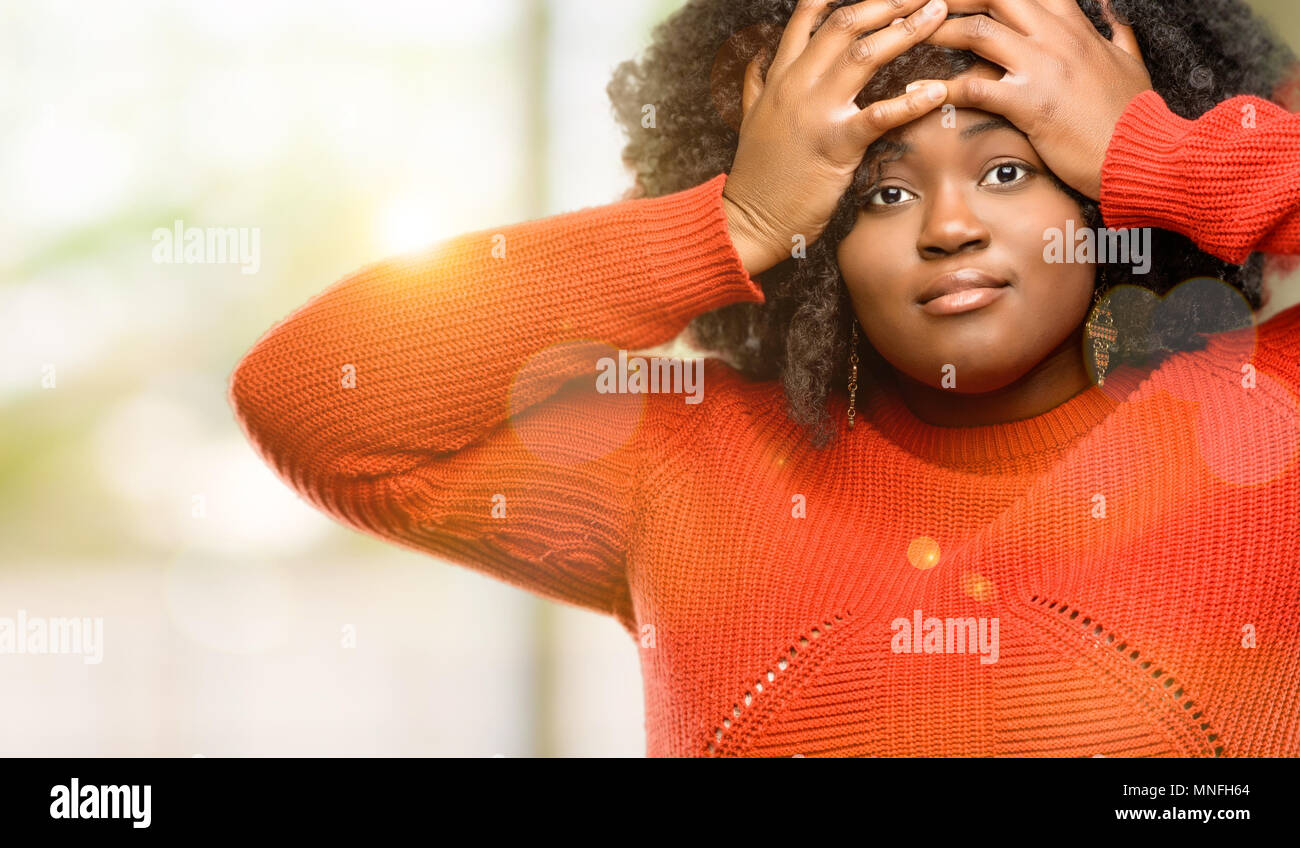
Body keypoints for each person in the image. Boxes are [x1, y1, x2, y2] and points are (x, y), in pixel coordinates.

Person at [228, 0, 1300, 756]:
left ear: (1095, 195)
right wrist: (732, 224)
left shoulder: (1266, 426)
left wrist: (1156, 148)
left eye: (1008, 167)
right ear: (818, 234)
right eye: (879, 193)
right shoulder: (682, 464)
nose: (952, 225)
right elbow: (319, 395)